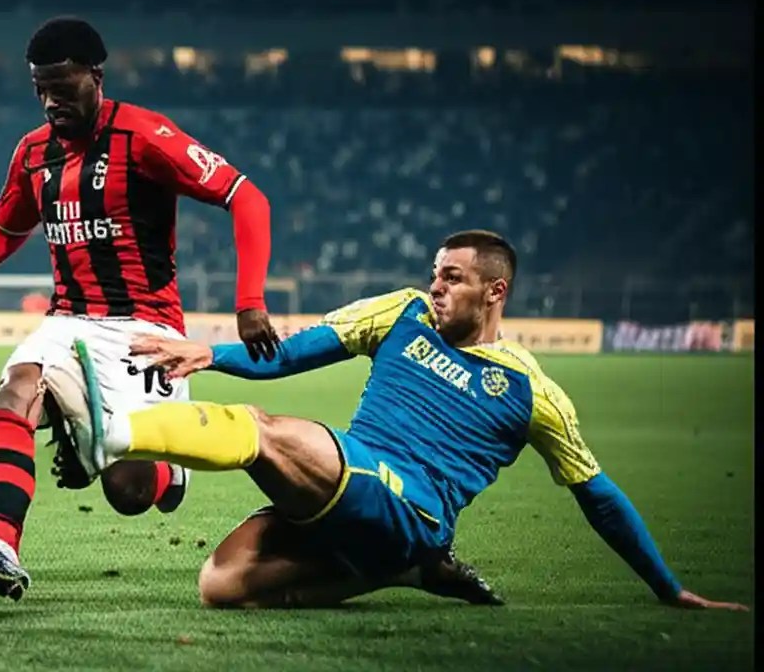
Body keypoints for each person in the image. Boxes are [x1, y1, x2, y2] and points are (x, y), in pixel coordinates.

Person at [43, 230, 750, 611]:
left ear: (495, 291)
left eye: (454, 278)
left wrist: (667, 587)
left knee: (262, 432)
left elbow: (597, 494)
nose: (435, 286)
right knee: (220, 588)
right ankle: (404, 573)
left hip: (410, 501)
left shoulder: (532, 391)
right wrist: (211, 353)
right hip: (353, 486)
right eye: (436, 272)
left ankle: (114, 437)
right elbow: (294, 352)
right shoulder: (401, 312)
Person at [0, 16, 280, 601]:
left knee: (128, 493)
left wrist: (249, 300)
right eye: (39, 88)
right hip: (67, 320)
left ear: (95, 77)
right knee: (15, 389)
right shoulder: (33, 154)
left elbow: (245, 197)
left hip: (143, 329)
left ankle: (164, 466)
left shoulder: (145, 137)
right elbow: (3, 233)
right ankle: (1, 547)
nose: (50, 101)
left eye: (63, 87)